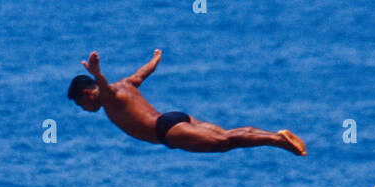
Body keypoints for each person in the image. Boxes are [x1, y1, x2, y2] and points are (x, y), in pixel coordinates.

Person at [68, 50, 306, 155]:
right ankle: (277, 136)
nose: (85, 110)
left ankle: (277, 140)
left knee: (223, 142)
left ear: (89, 94)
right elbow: (142, 73)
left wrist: (97, 72)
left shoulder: (108, 97)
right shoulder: (125, 85)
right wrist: (156, 58)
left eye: (82, 105)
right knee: (226, 136)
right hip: (173, 118)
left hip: (167, 131)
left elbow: (104, 86)